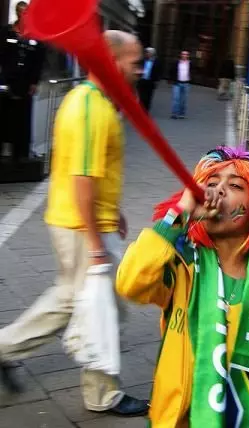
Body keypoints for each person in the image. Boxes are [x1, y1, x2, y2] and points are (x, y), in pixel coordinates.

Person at [0, 30, 149, 417]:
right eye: (135, 62)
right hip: (81, 229)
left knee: (71, 300)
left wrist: (111, 212)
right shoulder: (90, 108)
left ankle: (4, 348)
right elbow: (82, 179)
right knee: (104, 309)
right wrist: (96, 243)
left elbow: (87, 174)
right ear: (112, 61)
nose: (140, 70)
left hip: (80, 222)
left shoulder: (89, 100)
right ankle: (102, 394)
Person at [115, 147, 249, 426]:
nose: (218, 191)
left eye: (235, 186)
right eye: (211, 183)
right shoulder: (182, 263)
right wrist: (178, 216)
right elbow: (130, 282)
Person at [0, 1, 45, 164]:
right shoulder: (7, 32)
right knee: (4, 115)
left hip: (25, 83)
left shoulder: (35, 34)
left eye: (26, 13)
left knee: (23, 118)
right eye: (20, 12)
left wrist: (34, 81)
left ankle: (21, 154)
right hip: (6, 80)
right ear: (17, 13)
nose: (23, 15)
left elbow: (39, 60)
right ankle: (4, 151)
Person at [137, 47, 161, 112]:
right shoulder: (143, 60)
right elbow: (138, 68)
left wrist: (157, 81)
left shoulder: (156, 61)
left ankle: (146, 111)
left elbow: (158, 71)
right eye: (146, 52)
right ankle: (140, 110)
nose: (147, 54)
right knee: (141, 97)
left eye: (148, 52)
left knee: (148, 98)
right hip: (142, 81)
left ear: (152, 53)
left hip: (150, 82)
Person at [170, 50, 191, 119]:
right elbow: (172, 71)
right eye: (183, 54)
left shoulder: (190, 63)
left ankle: (181, 114)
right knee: (176, 98)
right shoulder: (176, 62)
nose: (184, 55)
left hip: (186, 83)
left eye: (186, 54)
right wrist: (172, 79)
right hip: (177, 83)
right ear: (181, 55)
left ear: (188, 56)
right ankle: (174, 113)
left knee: (183, 100)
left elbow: (192, 72)